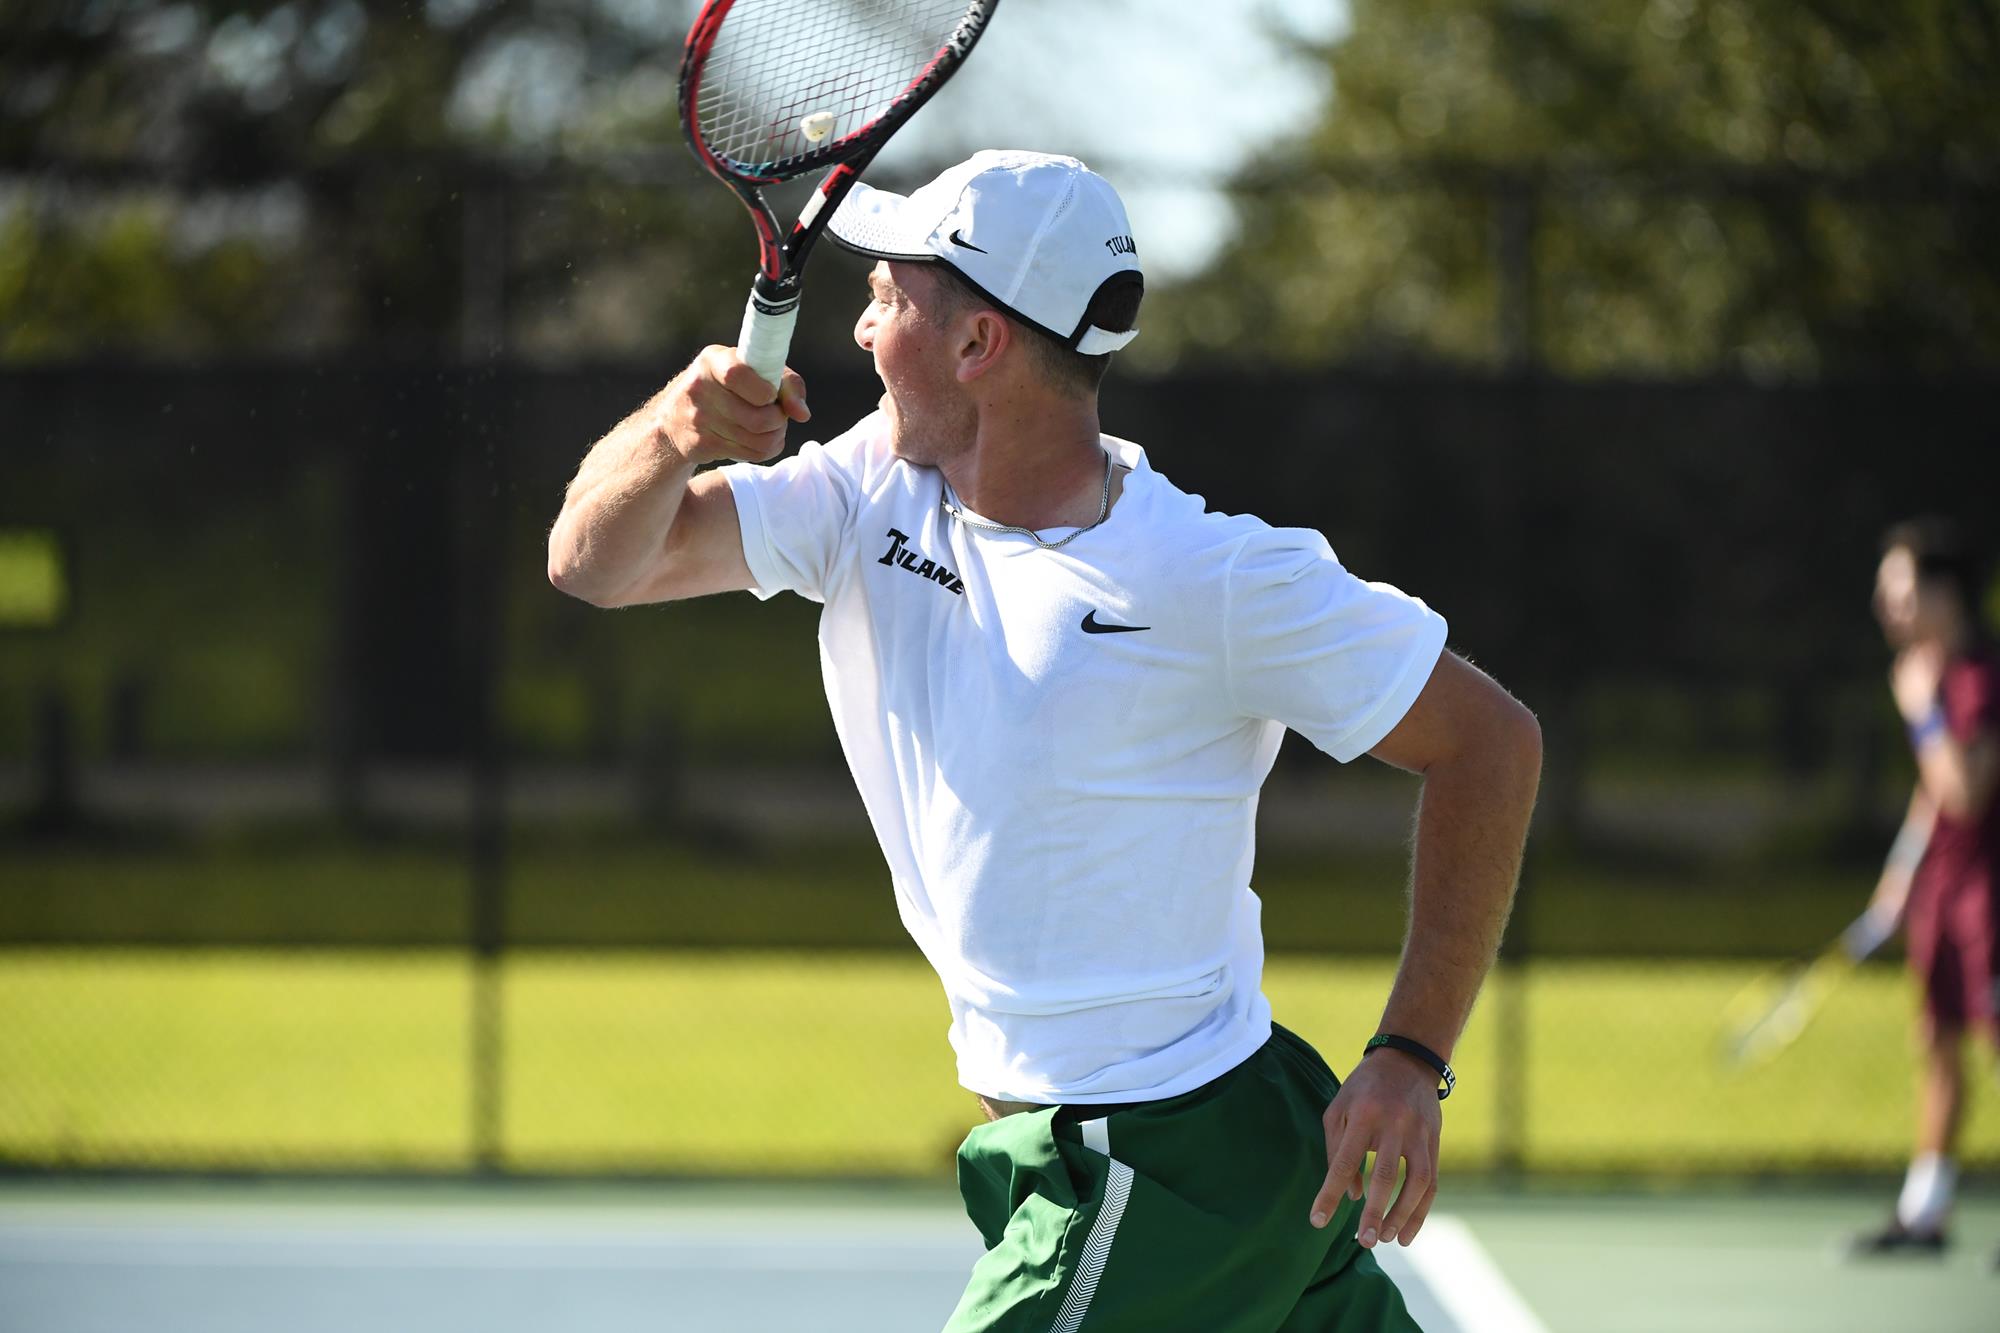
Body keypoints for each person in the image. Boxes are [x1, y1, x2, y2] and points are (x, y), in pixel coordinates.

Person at [548, 149, 1542, 1330]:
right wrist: (672, 429)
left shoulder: (1208, 575)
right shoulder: (872, 488)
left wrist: (1412, 1053)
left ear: (977, 347)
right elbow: (593, 564)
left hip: (1156, 1165)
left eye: (886, 299)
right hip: (1189, 1148)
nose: (862, 332)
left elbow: (1489, 740)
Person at [1848, 517, 1999, 1262]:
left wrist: (1921, 710)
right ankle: (1926, 1210)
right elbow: (1932, 799)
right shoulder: (1933, 674)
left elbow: (1966, 791)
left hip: (1991, 891)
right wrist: (1901, 878)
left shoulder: (1976, 678)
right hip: (1945, 887)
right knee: (1936, 1038)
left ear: (1945, 593)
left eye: (1900, 590)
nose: (1887, 606)